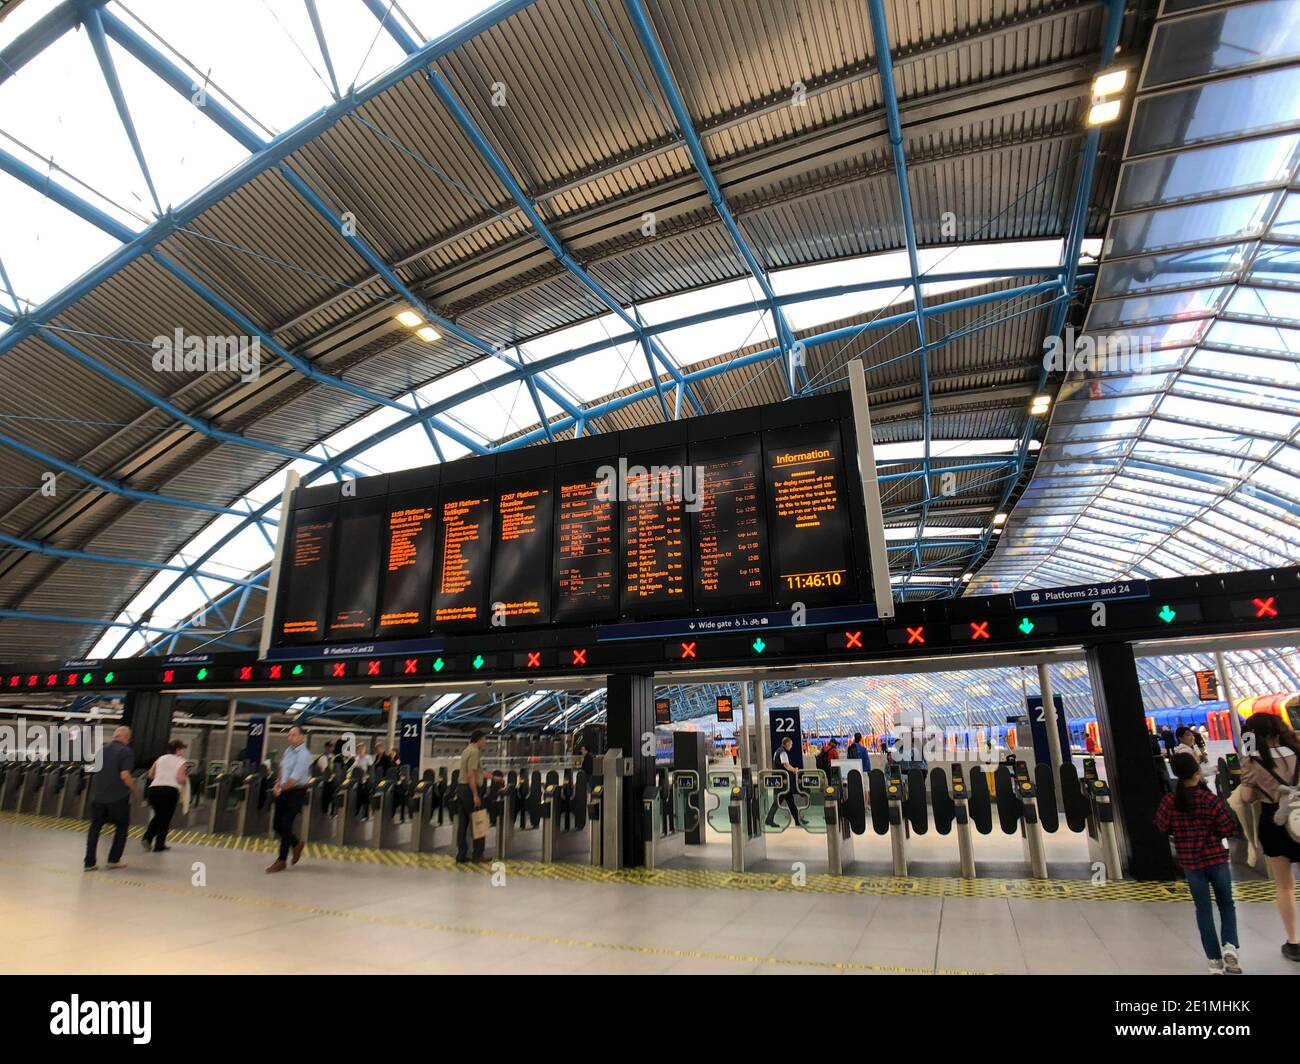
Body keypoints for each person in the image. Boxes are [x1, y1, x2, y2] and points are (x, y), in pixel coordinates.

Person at [1155, 752, 1240, 974]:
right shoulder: (1208, 799)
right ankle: (1230, 946)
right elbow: (1227, 827)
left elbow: (1162, 827)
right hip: (1216, 860)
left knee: (1203, 909)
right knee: (1226, 904)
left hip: (1191, 864)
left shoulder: (1169, 801)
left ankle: (1214, 961)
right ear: (1197, 771)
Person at [1236, 712, 1300, 961]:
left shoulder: (1253, 761)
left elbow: (1246, 798)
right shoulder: (1297, 751)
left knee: (1284, 885)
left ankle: (1294, 941)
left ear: (1253, 735)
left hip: (1274, 821)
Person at [84, 725, 138, 871]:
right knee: (121, 827)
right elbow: (125, 775)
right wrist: (134, 789)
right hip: (117, 797)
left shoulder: (102, 750)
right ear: (127, 737)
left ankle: (89, 862)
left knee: (95, 828)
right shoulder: (126, 751)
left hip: (98, 797)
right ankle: (113, 860)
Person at [266, 727, 311, 874]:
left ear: (301, 737)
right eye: (289, 735)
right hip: (284, 790)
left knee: (286, 823)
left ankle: (281, 860)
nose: (290, 737)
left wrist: (281, 788)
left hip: (296, 792)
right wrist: (277, 783)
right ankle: (296, 843)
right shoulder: (288, 751)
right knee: (277, 824)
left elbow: (294, 779)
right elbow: (282, 769)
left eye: (293, 735)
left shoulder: (304, 755)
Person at [141, 739, 187, 853]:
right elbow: (180, 778)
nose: (182, 752)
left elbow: (151, 775)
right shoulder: (181, 761)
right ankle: (154, 842)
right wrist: (186, 782)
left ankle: (153, 841)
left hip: (154, 790)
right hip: (169, 791)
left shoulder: (160, 758)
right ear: (177, 750)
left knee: (159, 815)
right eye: (182, 749)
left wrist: (162, 776)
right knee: (165, 818)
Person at [455, 730, 488, 863]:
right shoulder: (475, 752)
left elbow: (479, 772)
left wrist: (495, 778)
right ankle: (478, 854)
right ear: (479, 740)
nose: (485, 742)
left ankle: (461, 853)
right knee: (479, 821)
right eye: (484, 739)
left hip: (461, 788)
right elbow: (471, 774)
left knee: (463, 823)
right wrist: (475, 795)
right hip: (469, 790)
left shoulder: (466, 750)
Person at [770, 736, 804, 827]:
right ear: (787, 743)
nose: (792, 746)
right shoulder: (783, 752)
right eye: (791, 744)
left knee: (790, 801)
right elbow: (785, 765)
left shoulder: (777, 751)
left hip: (781, 780)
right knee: (779, 801)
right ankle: (769, 819)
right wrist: (794, 770)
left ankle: (798, 820)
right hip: (783, 781)